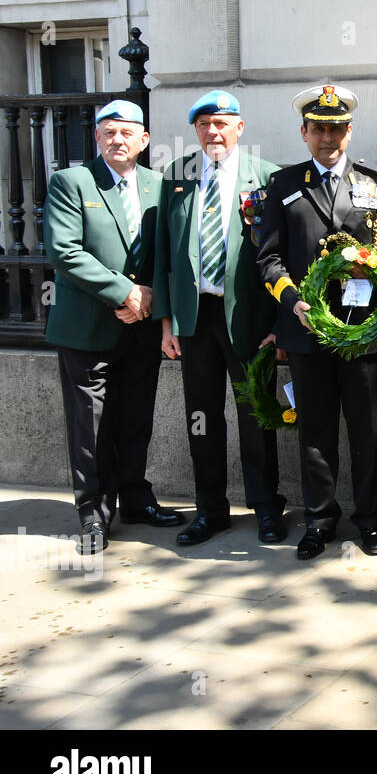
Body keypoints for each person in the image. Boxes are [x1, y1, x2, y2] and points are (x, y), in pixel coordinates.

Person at [256, 84, 377, 561]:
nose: (328, 137)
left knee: (367, 430)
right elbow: (268, 259)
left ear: (350, 131)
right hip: (306, 334)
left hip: (364, 332)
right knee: (315, 433)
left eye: (337, 128)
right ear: (304, 132)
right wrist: (293, 304)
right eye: (319, 128)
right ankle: (319, 520)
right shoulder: (284, 185)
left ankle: (369, 520)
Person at [45, 99, 185, 553]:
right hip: (87, 329)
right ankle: (93, 513)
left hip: (140, 327)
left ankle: (137, 500)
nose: (117, 140)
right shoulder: (72, 181)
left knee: (135, 419)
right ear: (97, 138)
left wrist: (149, 302)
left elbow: (169, 256)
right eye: (109, 132)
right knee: (91, 426)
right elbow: (65, 253)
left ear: (144, 140)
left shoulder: (158, 186)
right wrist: (124, 293)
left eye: (127, 133)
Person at [155, 91, 287, 546]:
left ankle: (267, 507)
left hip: (249, 317)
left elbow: (282, 256)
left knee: (257, 414)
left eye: (222, 123)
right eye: (204, 124)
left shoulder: (267, 177)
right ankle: (211, 511)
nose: (213, 132)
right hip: (196, 318)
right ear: (195, 130)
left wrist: (280, 323)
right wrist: (167, 323)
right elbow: (163, 257)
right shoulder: (177, 176)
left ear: (240, 127)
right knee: (202, 417)